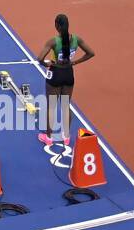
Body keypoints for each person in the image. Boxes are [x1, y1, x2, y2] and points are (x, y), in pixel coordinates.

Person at [36, 14, 95, 145]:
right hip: (69, 73)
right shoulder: (76, 39)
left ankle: (49, 138)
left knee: (51, 107)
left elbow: (39, 59)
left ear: (56, 26)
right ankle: (66, 136)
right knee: (65, 105)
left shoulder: (53, 41)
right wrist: (75, 62)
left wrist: (47, 64)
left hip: (55, 73)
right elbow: (91, 53)